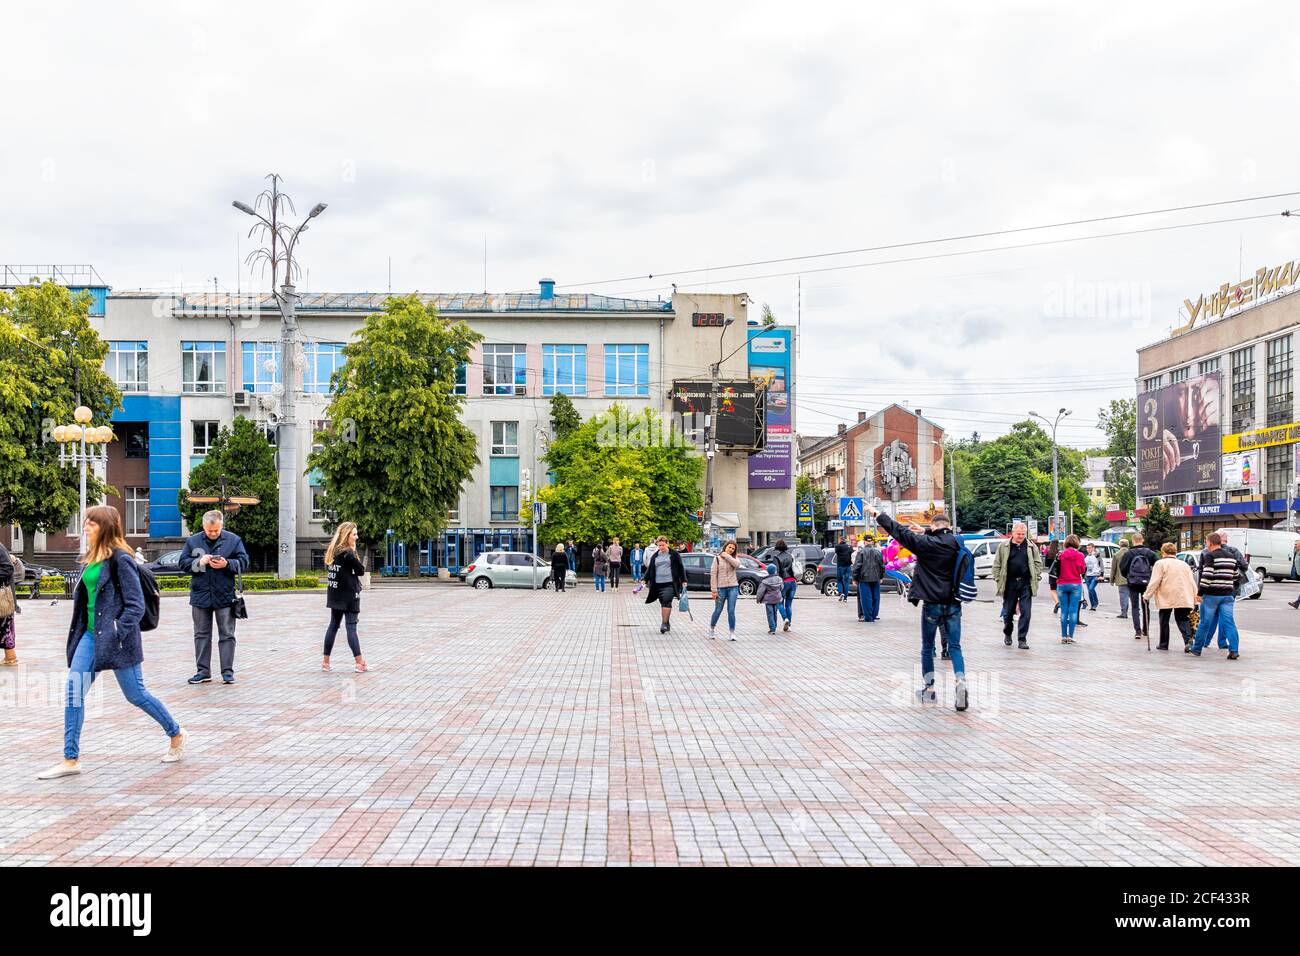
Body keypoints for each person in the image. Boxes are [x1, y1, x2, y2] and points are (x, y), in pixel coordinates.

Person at [36, 505, 186, 780]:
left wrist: (117, 630)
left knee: (136, 695)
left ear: (104, 526)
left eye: (91, 523)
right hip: (90, 636)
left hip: (117, 640)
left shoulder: (121, 559)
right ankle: (71, 759)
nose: (85, 527)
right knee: (73, 692)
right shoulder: (92, 557)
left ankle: (175, 733)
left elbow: (135, 605)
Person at [868, 505, 968, 712]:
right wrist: (928, 530)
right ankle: (960, 682)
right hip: (953, 602)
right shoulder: (957, 543)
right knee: (955, 646)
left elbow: (898, 530)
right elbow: (944, 536)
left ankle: (929, 689)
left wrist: (877, 513)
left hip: (931, 602)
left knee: (927, 647)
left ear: (932, 527)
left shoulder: (924, 544)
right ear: (949, 527)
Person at [179, 510, 250, 685]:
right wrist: (199, 562)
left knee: (227, 634)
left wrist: (228, 564)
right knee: (201, 634)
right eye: (210, 530)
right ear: (203, 526)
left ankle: (227, 672)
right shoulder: (193, 541)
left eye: (216, 531)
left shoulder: (233, 540)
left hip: (225, 596)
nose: (212, 533)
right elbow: (182, 564)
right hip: (200, 596)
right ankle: (203, 671)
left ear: (221, 526)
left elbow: (245, 562)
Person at [1190, 531, 1248, 659]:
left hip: (1212, 595)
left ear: (1210, 542)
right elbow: (1236, 576)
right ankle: (1234, 650)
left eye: (1206, 542)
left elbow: (1207, 576)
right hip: (1228, 595)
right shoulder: (1231, 557)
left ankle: (1197, 648)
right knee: (1229, 622)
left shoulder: (1210, 556)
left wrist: (1200, 593)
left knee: (1205, 622)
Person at [322, 521, 368, 673]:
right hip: (349, 596)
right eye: (354, 534)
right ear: (347, 535)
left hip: (335, 595)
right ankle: (360, 663)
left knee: (333, 626)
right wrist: (354, 551)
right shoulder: (348, 553)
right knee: (351, 628)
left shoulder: (333, 552)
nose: (357, 537)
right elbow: (361, 570)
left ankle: (325, 663)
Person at [993, 522, 1042, 650]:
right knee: (1008, 612)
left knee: (1026, 612)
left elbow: (1038, 563)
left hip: (1026, 582)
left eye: (1023, 534)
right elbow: (997, 564)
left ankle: (1022, 639)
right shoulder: (1004, 546)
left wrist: (1036, 576)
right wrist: (998, 579)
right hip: (1010, 582)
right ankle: (1008, 633)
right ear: (1013, 533)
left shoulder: (1031, 547)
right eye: (1018, 534)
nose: (1021, 536)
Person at [1145, 542, 1196, 650]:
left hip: (1166, 595)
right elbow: (1192, 582)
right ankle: (1188, 641)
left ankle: (1163, 644)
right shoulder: (1184, 564)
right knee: (1182, 619)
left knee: (1164, 619)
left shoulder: (1160, 563)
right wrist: (1195, 597)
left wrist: (1147, 595)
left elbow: (1155, 581)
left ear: (1163, 552)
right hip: (1183, 595)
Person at [1118, 533, 1159, 641]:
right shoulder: (1149, 553)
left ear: (1133, 541)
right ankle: (1146, 629)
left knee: (1135, 607)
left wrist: (1128, 576)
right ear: (1143, 540)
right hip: (1146, 583)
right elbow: (1158, 565)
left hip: (1133, 583)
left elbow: (1122, 568)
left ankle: (1137, 631)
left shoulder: (1129, 553)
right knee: (1146, 605)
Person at [642, 535, 686, 633]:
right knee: (663, 603)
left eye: (663, 545)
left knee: (666, 600)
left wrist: (684, 580)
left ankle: (664, 623)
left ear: (667, 543)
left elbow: (680, 567)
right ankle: (667, 622)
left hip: (670, 583)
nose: (661, 547)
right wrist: (644, 579)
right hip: (657, 584)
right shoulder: (655, 555)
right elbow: (650, 569)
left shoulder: (674, 554)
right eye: (659, 545)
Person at [1055, 535, 1087, 644]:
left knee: (1064, 611)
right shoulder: (1080, 555)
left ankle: (1063, 636)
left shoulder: (1060, 555)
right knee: (1073, 611)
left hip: (1062, 584)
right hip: (1075, 584)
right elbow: (1082, 570)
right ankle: (1071, 636)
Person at [709, 540, 741, 640]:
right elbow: (713, 574)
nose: (731, 549)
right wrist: (714, 590)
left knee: (731, 610)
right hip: (720, 588)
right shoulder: (717, 559)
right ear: (725, 547)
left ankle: (732, 633)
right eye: (729, 547)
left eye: (733, 548)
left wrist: (727, 556)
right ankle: (711, 629)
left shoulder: (734, 558)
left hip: (733, 587)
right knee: (718, 610)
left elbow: (737, 565)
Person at [852, 537, 885, 623]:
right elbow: (882, 566)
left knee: (866, 598)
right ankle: (874, 615)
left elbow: (857, 566)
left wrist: (855, 578)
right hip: (876, 578)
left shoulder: (861, 552)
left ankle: (868, 617)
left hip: (864, 578)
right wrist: (881, 577)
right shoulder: (878, 552)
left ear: (864, 542)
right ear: (872, 542)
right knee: (875, 597)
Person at [772, 539, 797, 632]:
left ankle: (785, 618)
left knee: (779, 603)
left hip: (784, 582)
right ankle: (789, 625)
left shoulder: (776, 557)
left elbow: (777, 572)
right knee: (789, 605)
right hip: (793, 582)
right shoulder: (791, 556)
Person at [0, 541, 17, 665]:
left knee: (5, 625)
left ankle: (11, 658)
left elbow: (8, 568)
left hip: (2, 595)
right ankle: (10, 658)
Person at [755, 563, 784, 634]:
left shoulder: (765, 581)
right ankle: (775, 626)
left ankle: (772, 628)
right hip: (777, 599)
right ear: (775, 571)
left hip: (768, 600)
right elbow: (782, 588)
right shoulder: (779, 579)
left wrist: (758, 599)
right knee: (775, 612)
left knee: (770, 613)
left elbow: (760, 592)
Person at [1110, 538, 1131, 619]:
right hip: (1132, 579)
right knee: (1132, 597)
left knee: (1123, 596)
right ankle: (1136, 611)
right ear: (1128, 545)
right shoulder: (1132, 553)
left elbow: (1113, 568)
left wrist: (1111, 580)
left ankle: (1124, 612)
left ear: (1120, 545)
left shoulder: (1117, 555)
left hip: (1121, 579)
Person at [833, 535, 853, 603]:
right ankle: (845, 598)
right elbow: (852, 553)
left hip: (840, 566)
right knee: (846, 582)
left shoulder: (838, 546)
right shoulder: (849, 547)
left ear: (840, 540)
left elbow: (836, 552)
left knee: (839, 580)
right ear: (845, 540)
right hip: (848, 566)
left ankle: (841, 592)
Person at [1084, 543, 1102, 611]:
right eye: (1087, 548)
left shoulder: (1097, 555)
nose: (1088, 549)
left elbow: (1101, 565)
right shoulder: (1087, 556)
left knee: (1091, 588)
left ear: (1093, 548)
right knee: (1089, 591)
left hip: (1095, 575)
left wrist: (1101, 575)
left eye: (1090, 548)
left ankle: (1095, 603)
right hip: (1087, 576)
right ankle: (1092, 606)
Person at [1046, 540, 1061, 614]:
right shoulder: (1060, 553)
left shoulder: (1049, 552)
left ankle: (1057, 602)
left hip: (1052, 574)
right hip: (1059, 574)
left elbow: (1046, 564)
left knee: (1053, 589)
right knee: (1059, 589)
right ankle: (1059, 603)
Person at [1288, 540, 1300, 610]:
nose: (1295, 545)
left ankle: (1296, 603)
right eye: (1294, 544)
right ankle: (1297, 603)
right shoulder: (1296, 552)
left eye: (1296, 544)